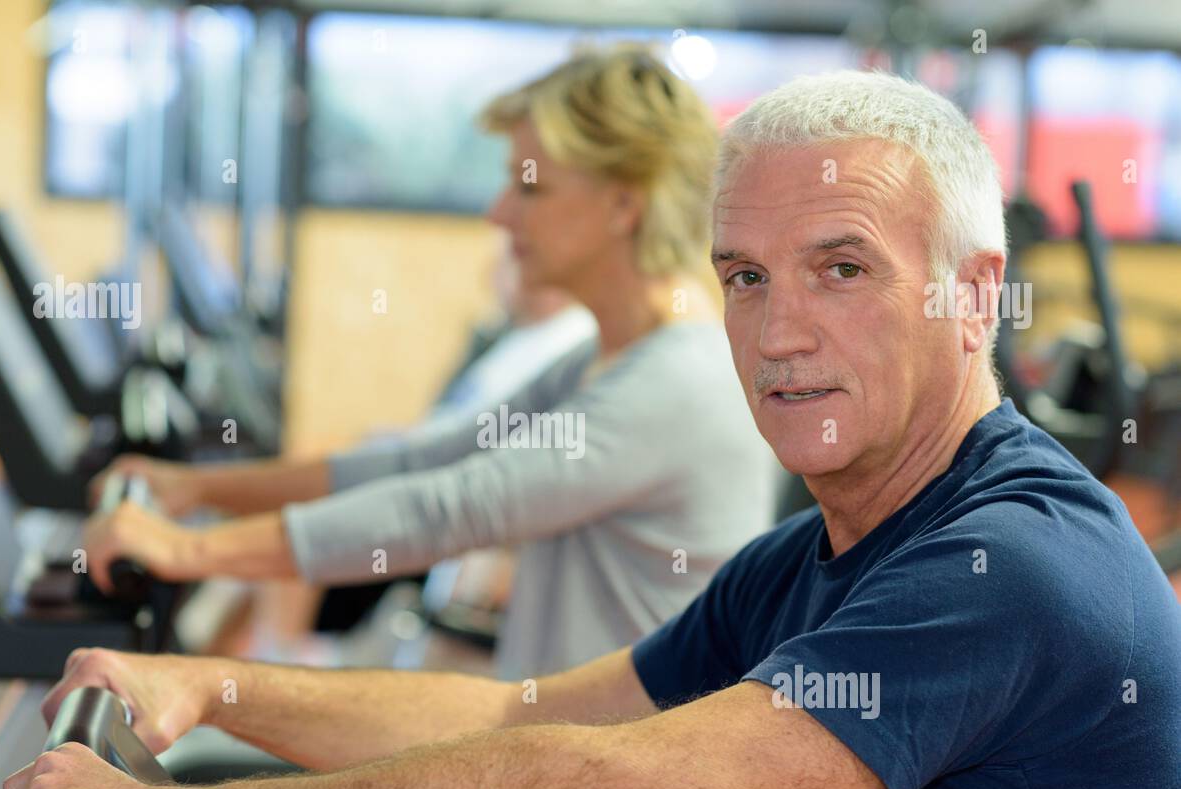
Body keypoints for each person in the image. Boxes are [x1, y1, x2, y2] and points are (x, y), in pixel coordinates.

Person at [1, 69, 1181, 789]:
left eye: (841, 269)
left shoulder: (1008, 564)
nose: (776, 335)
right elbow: (523, 712)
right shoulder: (804, 561)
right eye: (745, 277)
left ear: (973, 295)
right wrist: (213, 690)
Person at [82, 46, 780, 680]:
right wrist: (200, 489)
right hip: (560, 755)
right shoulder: (601, 355)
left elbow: (452, 506)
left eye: (530, 188)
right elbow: (425, 461)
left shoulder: (678, 379)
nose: (501, 215)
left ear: (624, 204)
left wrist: (188, 550)